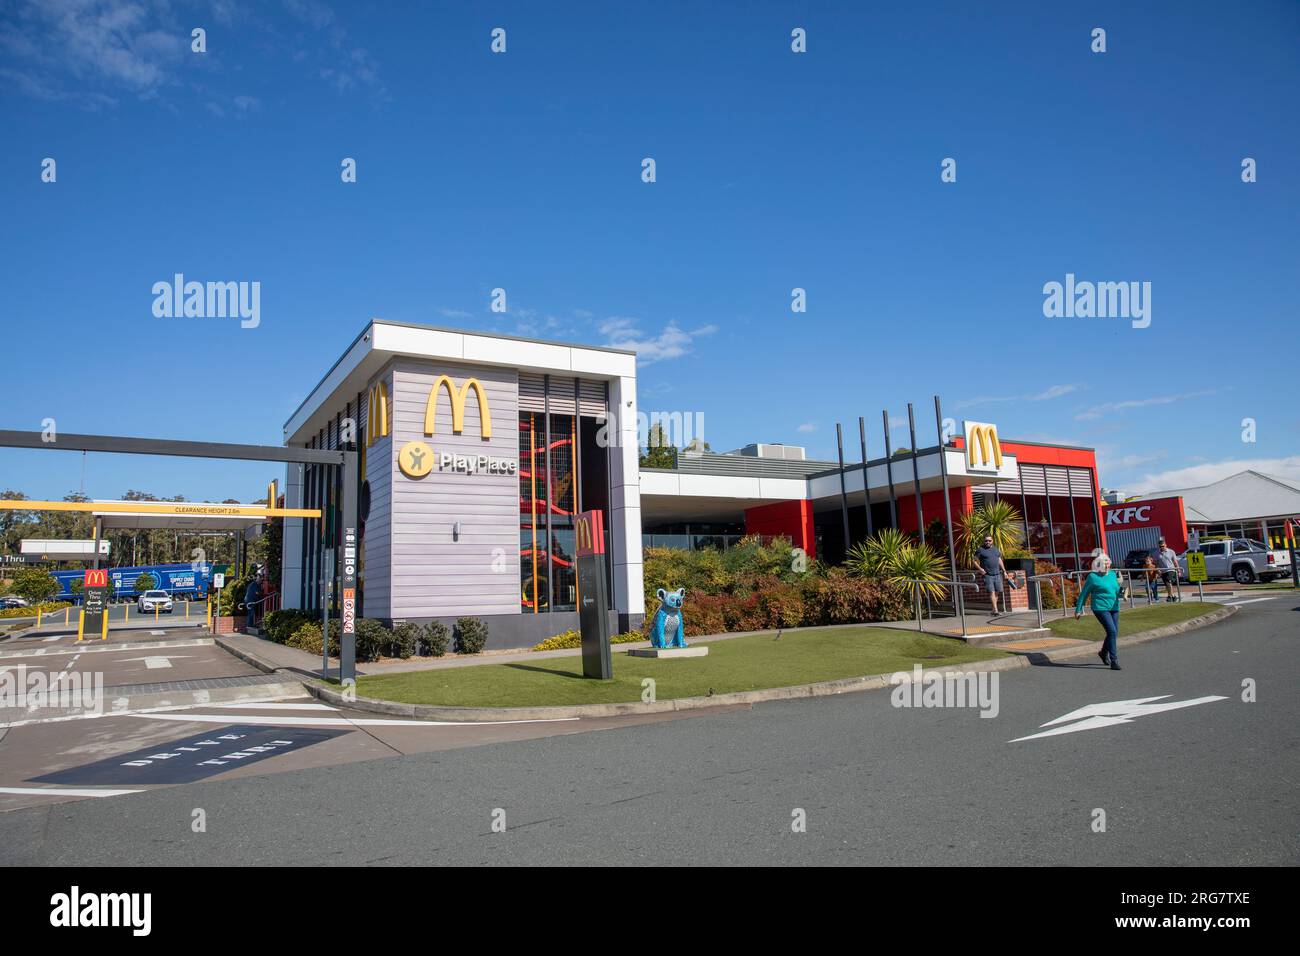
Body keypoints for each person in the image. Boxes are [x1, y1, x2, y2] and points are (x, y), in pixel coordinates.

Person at [1076, 553, 1123, 670]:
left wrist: (1122, 591)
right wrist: (1078, 609)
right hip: (1100, 607)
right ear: (1098, 565)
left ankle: (1103, 652)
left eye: (1108, 564)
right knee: (1112, 631)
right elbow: (1084, 593)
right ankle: (1114, 660)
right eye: (1104, 564)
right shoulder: (1093, 577)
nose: (1107, 566)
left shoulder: (1112, 574)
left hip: (1114, 607)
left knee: (1114, 632)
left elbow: (1116, 589)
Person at [974, 534, 1010, 618]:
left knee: (997, 592)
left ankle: (994, 610)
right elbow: (974, 561)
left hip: (997, 574)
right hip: (988, 575)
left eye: (989, 540)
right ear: (984, 541)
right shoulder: (980, 550)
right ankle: (996, 610)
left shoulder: (996, 549)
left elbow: (999, 560)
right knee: (992, 592)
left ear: (992, 541)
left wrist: (1004, 571)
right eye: (986, 540)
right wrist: (980, 569)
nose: (988, 542)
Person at [1155, 537, 1180, 602]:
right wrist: (1158, 570)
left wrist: (1178, 570)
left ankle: (1170, 596)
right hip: (1163, 571)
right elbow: (1156, 563)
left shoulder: (1171, 551)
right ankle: (1173, 596)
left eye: (1163, 546)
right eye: (1160, 546)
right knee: (1167, 584)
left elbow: (1175, 561)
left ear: (1165, 545)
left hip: (1170, 570)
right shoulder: (1156, 553)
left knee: (1169, 582)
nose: (1162, 547)